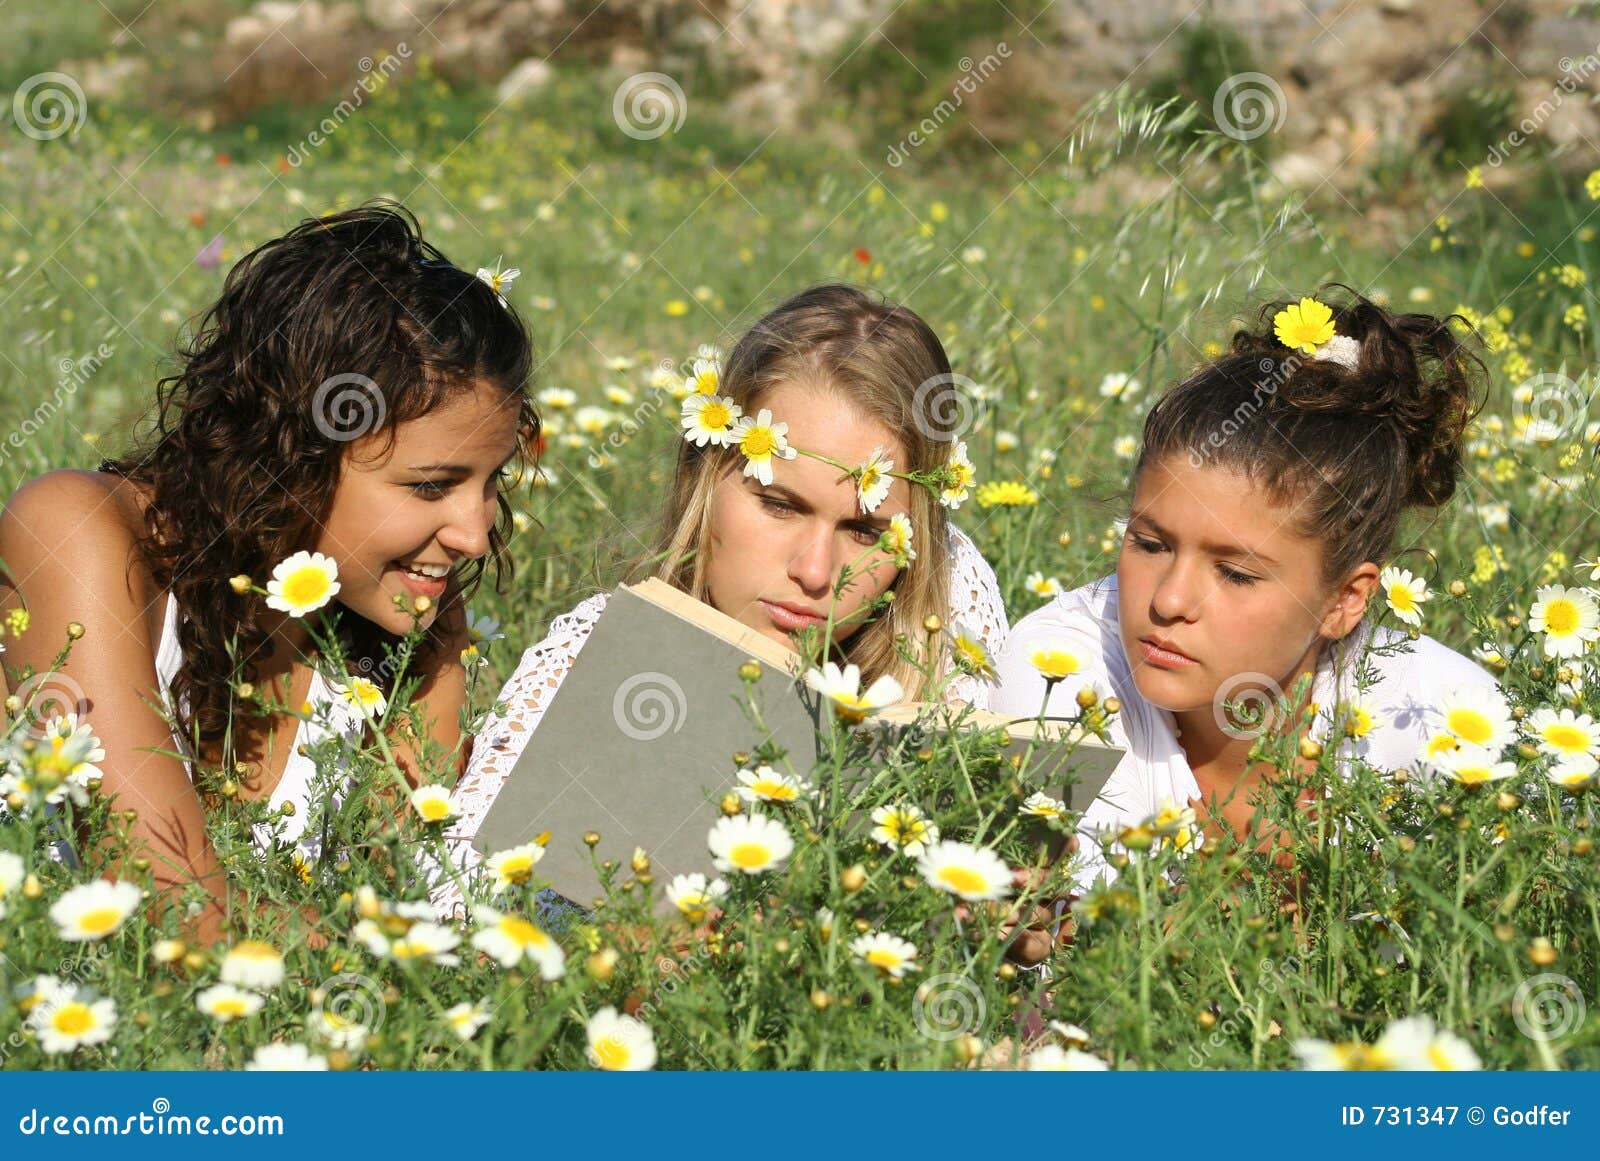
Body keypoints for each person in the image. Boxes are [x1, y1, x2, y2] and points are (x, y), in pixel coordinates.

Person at [0, 202, 538, 946]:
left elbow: (413, 905)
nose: (476, 536)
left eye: (489, 480)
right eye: (430, 485)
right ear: (293, 451)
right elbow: (166, 903)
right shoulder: (77, 531)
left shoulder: (403, 625)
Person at [438, 283, 1009, 916]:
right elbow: (455, 898)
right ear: (705, 476)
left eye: (865, 531)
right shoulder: (596, 656)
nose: (816, 573)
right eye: (779, 504)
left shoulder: (945, 613)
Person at [993, 289, 1502, 918]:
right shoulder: (1058, 670)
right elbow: (1088, 960)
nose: (1169, 600)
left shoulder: (1445, 720)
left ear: (1345, 600)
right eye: (1149, 543)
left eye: (1235, 573)